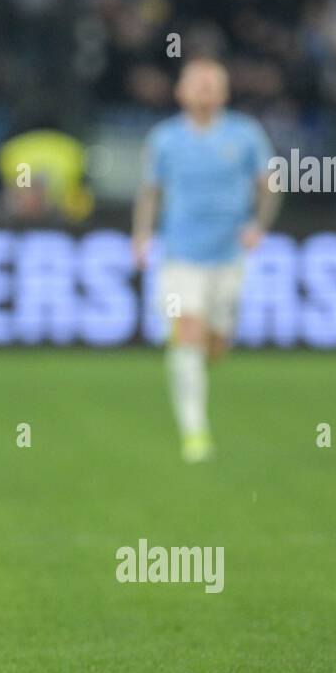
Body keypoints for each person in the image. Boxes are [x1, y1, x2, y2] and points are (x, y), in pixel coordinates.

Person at [132, 58, 279, 463]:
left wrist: (258, 225)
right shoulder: (165, 139)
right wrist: (142, 235)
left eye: (212, 83)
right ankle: (195, 434)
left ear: (225, 92)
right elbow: (150, 192)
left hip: (229, 256)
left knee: (215, 344)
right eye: (196, 82)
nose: (203, 89)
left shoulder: (245, 134)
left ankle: (193, 358)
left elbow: (269, 184)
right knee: (189, 330)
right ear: (180, 91)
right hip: (180, 256)